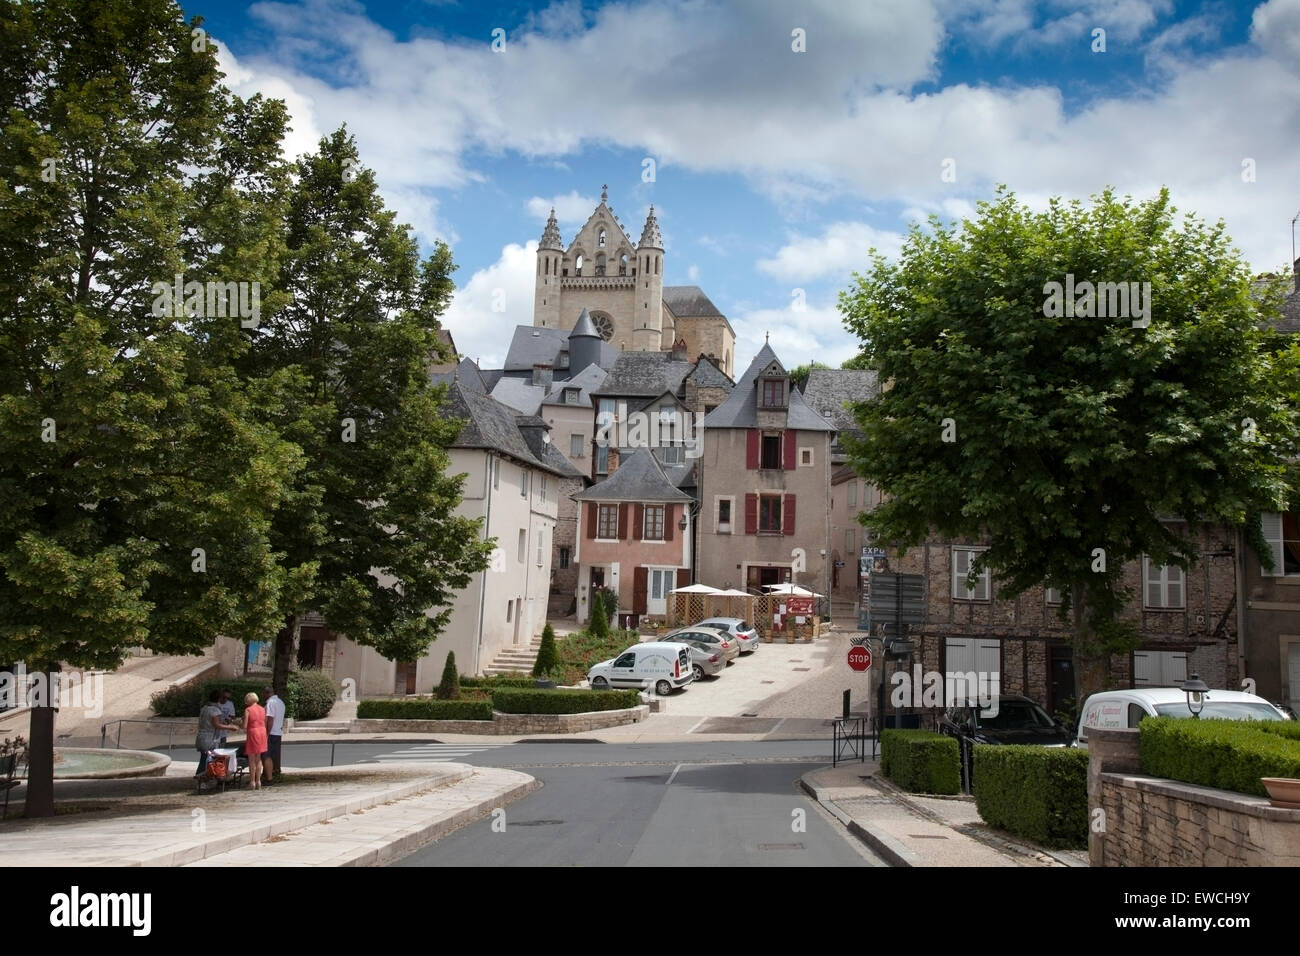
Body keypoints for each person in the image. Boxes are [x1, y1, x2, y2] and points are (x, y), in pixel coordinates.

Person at [195, 690, 239, 778]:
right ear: (218, 699)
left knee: (205, 758)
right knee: (207, 759)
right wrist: (230, 727)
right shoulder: (215, 710)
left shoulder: (204, 708)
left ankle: (202, 776)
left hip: (202, 736)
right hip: (210, 738)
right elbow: (216, 724)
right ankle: (202, 777)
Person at [241, 692, 268, 790]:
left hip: (253, 732)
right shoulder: (262, 709)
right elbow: (264, 722)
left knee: (251, 758)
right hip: (262, 732)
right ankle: (259, 781)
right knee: (259, 758)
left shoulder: (248, 710)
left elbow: (244, 726)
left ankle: (252, 781)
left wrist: (240, 723)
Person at [262, 685, 285, 786]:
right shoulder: (280, 702)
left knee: (267, 756)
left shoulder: (270, 703)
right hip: (278, 731)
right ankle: (273, 774)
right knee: (273, 755)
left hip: (271, 732)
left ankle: (269, 778)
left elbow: (270, 719)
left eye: (264, 693)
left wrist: (266, 733)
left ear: (267, 693)